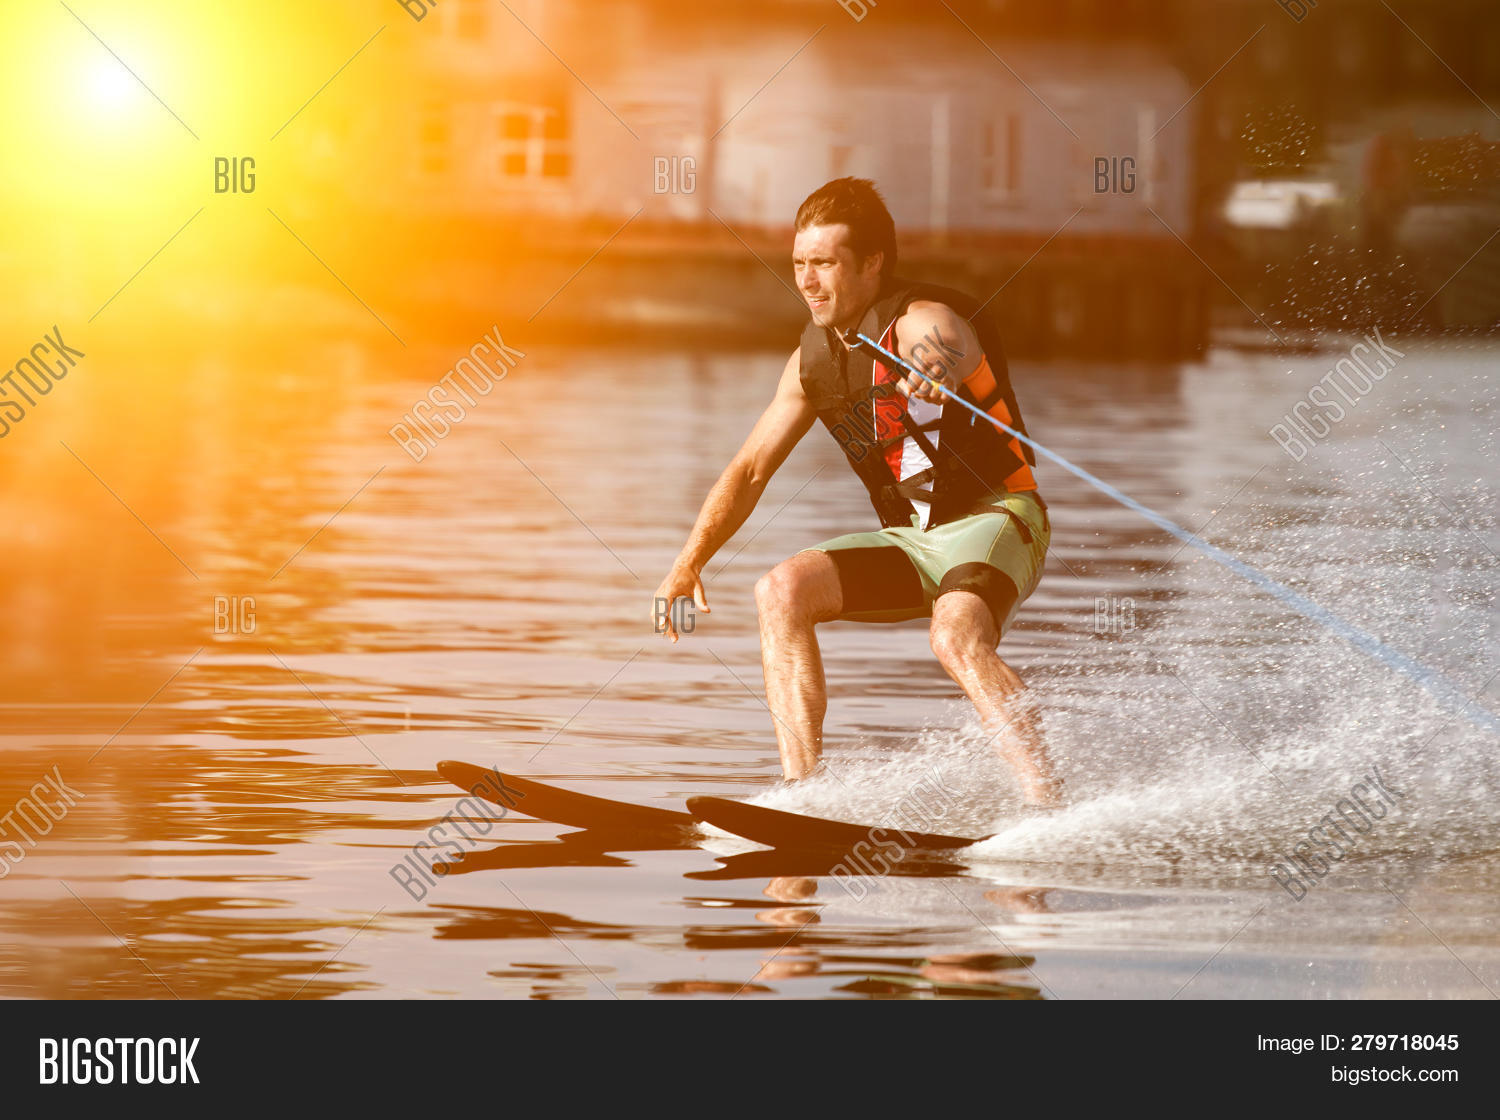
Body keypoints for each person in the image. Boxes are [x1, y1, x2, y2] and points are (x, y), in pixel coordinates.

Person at [652, 178, 1063, 807]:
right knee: (780, 590)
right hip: (915, 540)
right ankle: (802, 797)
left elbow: (946, 340)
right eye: (799, 263)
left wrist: (933, 369)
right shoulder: (810, 361)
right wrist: (688, 563)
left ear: (872, 263)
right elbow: (751, 469)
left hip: (998, 517)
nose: (808, 281)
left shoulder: (921, 317)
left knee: (954, 637)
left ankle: (1047, 805)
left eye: (825, 263)